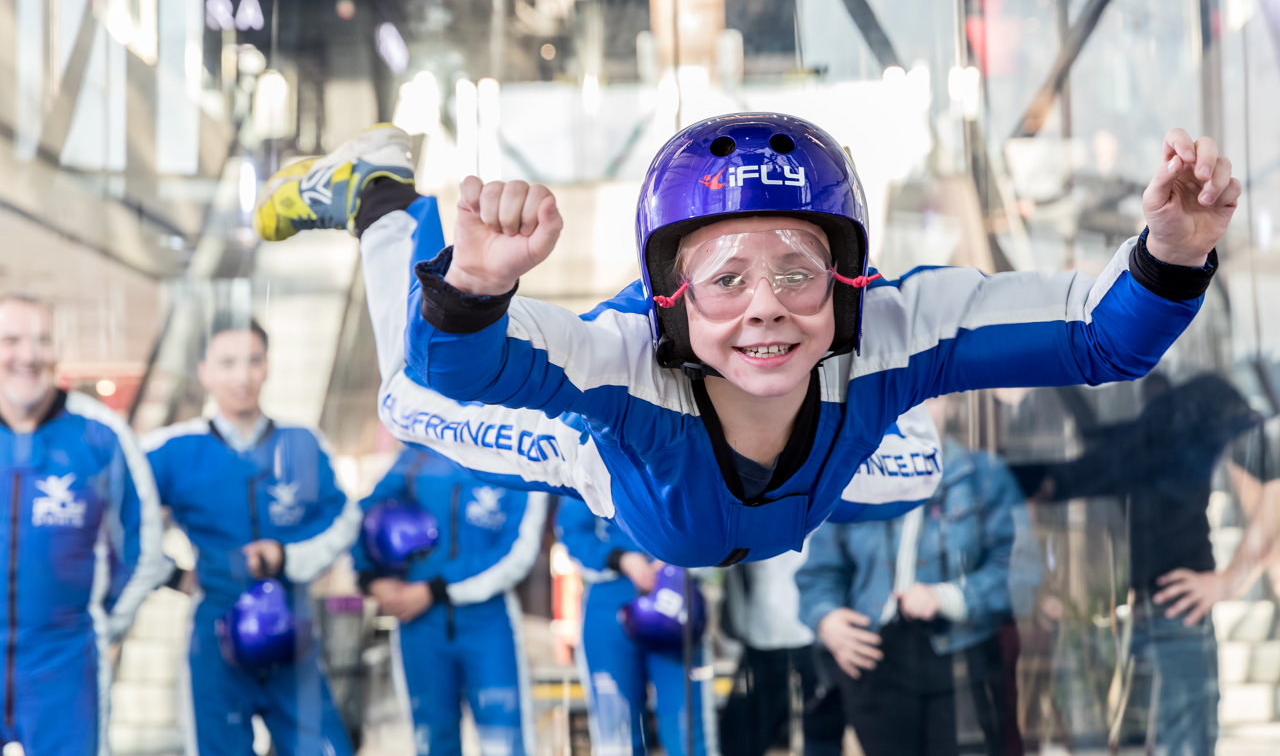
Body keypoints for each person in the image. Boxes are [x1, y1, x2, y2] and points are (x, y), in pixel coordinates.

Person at [253, 116, 1235, 568]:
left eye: (796, 273)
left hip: (804, 494)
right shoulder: (617, 356)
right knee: (409, 401)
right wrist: (476, 283)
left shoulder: (894, 324)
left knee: (918, 464)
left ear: (848, 281)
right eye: (722, 279)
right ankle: (380, 190)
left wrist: (1172, 248)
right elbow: (454, 367)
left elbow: (1098, 337)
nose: (763, 307)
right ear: (666, 298)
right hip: (620, 469)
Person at [1012, 372, 1267, 756]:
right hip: (1137, 617)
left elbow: (1272, 488)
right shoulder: (1137, 437)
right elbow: (1069, 478)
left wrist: (1229, 582)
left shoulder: (1199, 404)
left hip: (1176, 613)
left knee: (1182, 747)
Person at [143, 314, 360, 756]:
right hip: (216, 635)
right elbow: (117, 520)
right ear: (203, 371)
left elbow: (344, 519)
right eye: (227, 363)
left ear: (268, 366)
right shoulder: (173, 450)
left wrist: (287, 556)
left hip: (293, 632)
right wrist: (171, 574)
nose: (242, 376)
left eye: (253, 361)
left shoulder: (302, 443)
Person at [796, 396, 1025, 756]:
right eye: (903, 399)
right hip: (873, 656)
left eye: (927, 398)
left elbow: (1018, 572)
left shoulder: (984, 476)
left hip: (958, 656)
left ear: (951, 401)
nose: (913, 413)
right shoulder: (854, 478)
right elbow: (820, 574)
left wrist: (950, 596)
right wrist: (826, 619)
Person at [718, 408, 943, 756]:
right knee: (759, 726)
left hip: (827, 629)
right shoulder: (745, 455)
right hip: (777, 626)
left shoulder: (849, 458)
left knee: (820, 727)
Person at [0, 292, 168, 756]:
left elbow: (145, 544)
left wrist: (104, 625)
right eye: (10, 339)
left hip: (65, 667)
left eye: (42, 341)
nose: (27, 356)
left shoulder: (100, 435)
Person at [354, 445, 547, 756]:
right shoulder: (418, 450)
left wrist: (435, 589)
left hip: (488, 625)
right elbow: (363, 514)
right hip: (418, 627)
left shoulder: (518, 453)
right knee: (432, 741)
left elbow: (517, 551)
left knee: (505, 743)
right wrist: (370, 578)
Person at [557, 497, 717, 756]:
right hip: (610, 600)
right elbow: (572, 531)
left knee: (687, 730)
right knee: (616, 735)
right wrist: (619, 559)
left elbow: (718, 520)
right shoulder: (590, 457)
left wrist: (681, 558)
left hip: (676, 597)